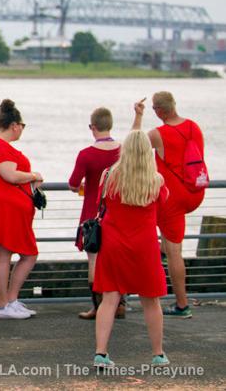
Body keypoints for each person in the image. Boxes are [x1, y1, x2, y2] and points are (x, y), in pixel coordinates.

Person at [92, 130, 170, 369]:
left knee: (110, 298)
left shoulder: (109, 176)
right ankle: (158, 354)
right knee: (151, 300)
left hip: (114, 243)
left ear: (124, 150)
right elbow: (164, 206)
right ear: (148, 152)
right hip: (144, 245)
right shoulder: (156, 180)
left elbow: (99, 204)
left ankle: (101, 353)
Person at [134, 92, 205, 319]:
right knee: (167, 242)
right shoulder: (194, 127)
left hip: (171, 198)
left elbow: (133, 145)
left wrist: (138, 115)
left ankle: (182, 305)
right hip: (195, 191)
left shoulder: (158, 134)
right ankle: (156, 265)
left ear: (159, 111)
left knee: (174, 251)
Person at [0, 99, 41, 320]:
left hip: (10, 207)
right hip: (3, 206)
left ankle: (11, 301)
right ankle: (3, 304)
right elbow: (10, 175)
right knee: (4, 253)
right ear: (15, 125)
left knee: (25, 253)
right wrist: (34, 176)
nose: (22, 130)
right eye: (22, 126)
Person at [67, 107, 123, 320]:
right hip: (118, 211)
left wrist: (82, 185)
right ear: (110, 125)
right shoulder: (123, 150)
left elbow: (73, 183)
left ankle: (98, 307)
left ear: (92, 127)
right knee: (117, 261)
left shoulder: (86, 154)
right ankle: (120, 304)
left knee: (95, 260)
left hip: (93, 212)